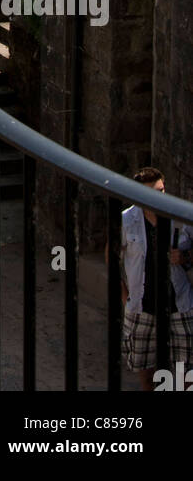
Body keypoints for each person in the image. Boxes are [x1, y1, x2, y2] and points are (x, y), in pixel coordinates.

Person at [110, 166, 193, 390]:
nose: (158, 197)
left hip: (180, 305)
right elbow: (112, 255)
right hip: (141, 307)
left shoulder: (181, 216)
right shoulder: (127, 220)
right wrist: (125, 297)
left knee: (187, 376)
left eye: (161, 190)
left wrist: (185, 256)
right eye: (151, 192)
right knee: (147, 374)